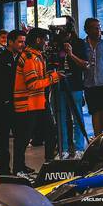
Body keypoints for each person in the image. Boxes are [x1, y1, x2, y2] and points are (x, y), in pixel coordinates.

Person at [11, 28, 62, 175]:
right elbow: (32, 84)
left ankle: (48, 165)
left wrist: (50, 74)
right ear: (38, 40)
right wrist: (53, 78)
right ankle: (18, 169)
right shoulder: (29, 57)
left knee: (49, 133)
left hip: (38, 103)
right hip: (28, 104)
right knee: (23, 139)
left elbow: (38, 79)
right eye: (46, 40)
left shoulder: (36, 56)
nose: (47, 43)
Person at [71, 17, 103, 133]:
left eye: (99, 27)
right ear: (87, 30)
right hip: (89, 85)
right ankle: (98, 141)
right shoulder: (83, 44)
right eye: (95, 28)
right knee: (95, 113)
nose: (98, 30)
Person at [0, 30, 26, 172]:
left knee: (21, 137)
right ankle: (4, 168)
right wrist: (4, 100)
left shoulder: (22, 58)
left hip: (19, 103)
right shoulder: (0, 59)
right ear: (10, 42)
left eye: (24, 42)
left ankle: (19, 166)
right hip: (3, 105)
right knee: (3, 138)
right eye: (20, 41)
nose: (22, 45)